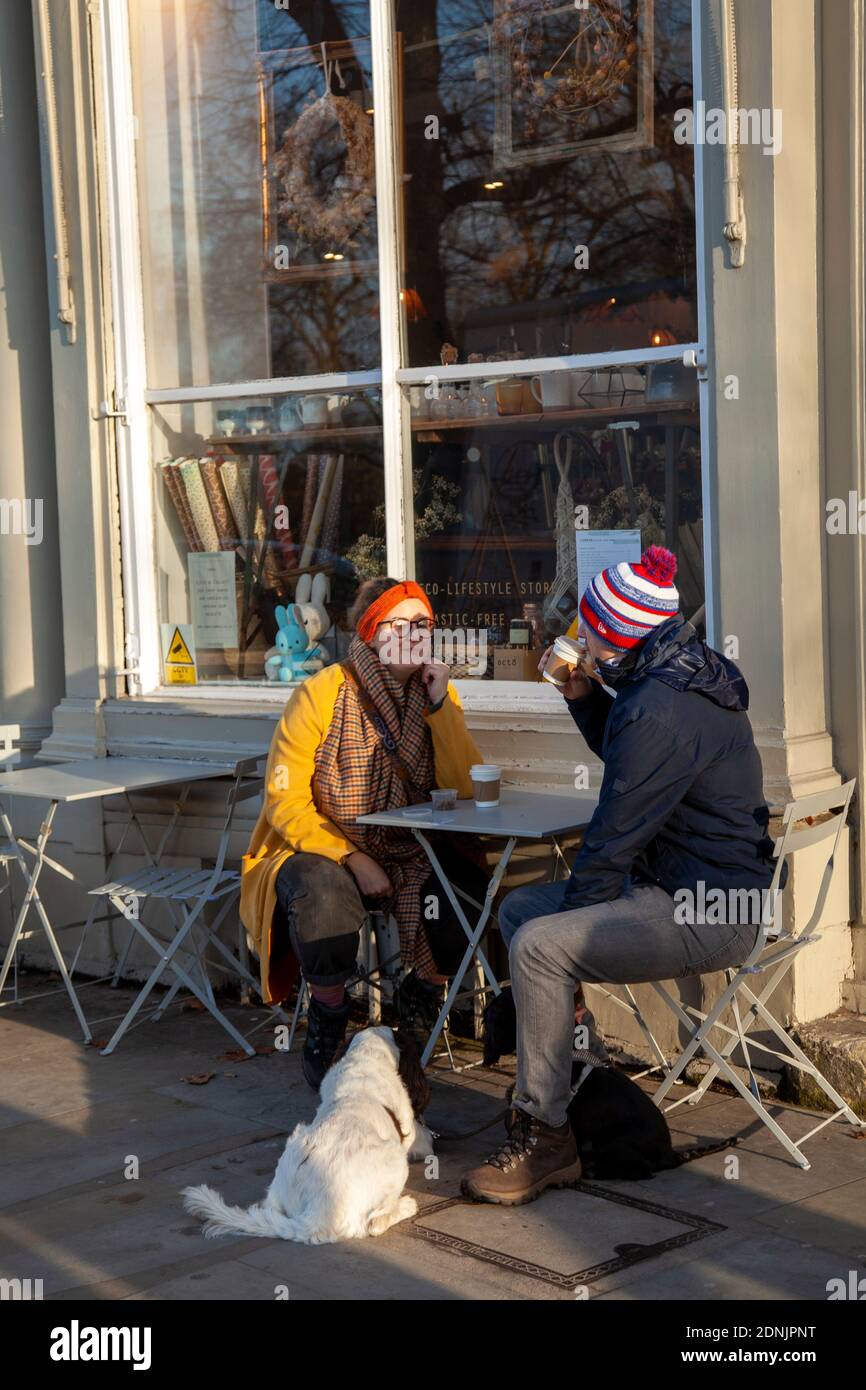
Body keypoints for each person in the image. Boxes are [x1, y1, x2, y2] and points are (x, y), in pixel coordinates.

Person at [462, 546, 780, 1206]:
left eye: (592, 631)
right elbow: (637, 759)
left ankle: (546, 1135)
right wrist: (584, 697)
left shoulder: (657, 707)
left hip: (712, 911)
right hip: (679, 883)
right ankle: (577, 1074)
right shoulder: (675, 675)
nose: (584, 641)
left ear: (620, 633)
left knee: (540, 942)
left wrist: (568, 930)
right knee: (521, 911)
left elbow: (610, 841)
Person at [240, 577, 486, 1088]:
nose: (418, 634)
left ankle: (420, 1003)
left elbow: (465, 792)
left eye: (426, 624)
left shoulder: (436, 692)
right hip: (326, 845)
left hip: (411, 849)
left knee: (463, 884)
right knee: (321, 895)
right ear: (373, 631)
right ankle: (329, 1013)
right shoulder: (321, 692)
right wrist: (352, 856)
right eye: (404, 624)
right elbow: (285, 801)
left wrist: (441, 707)